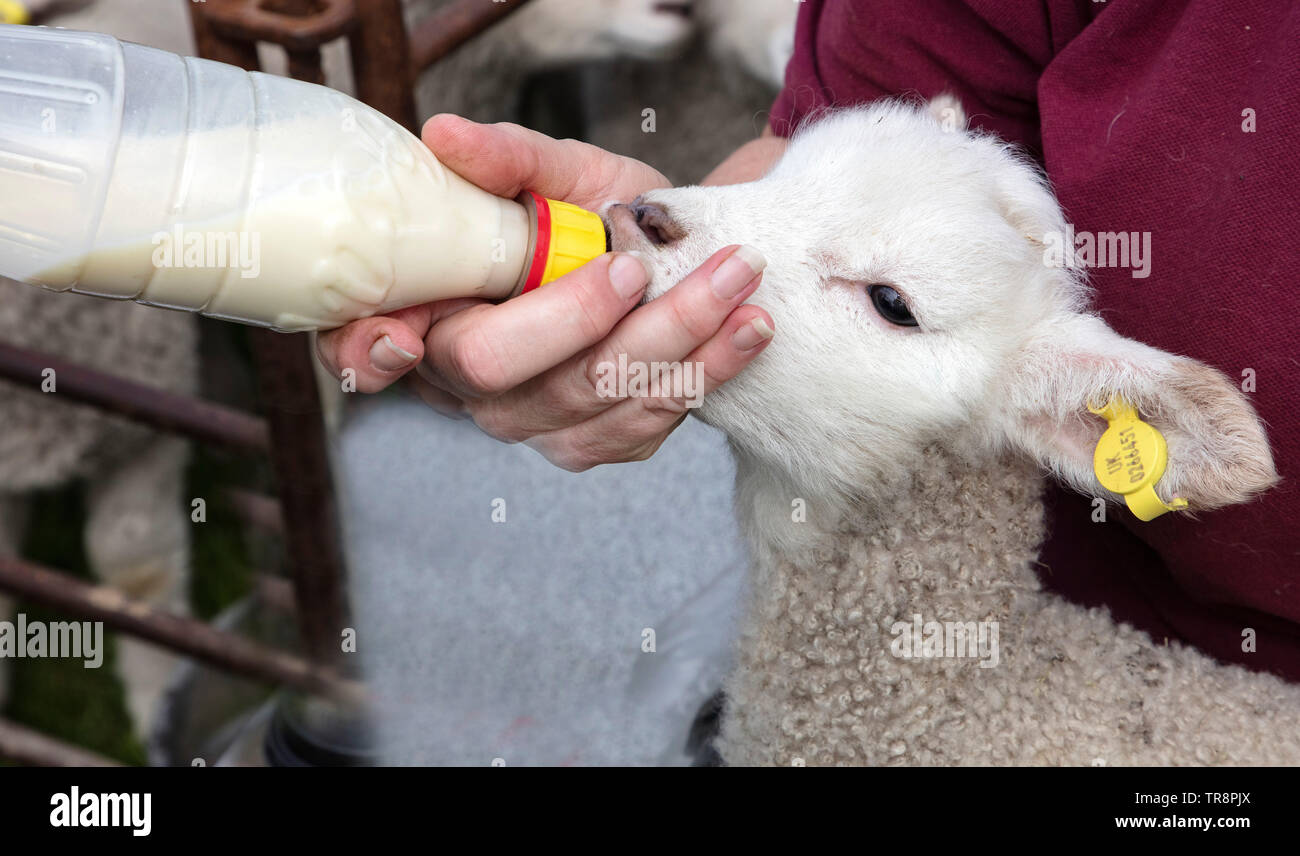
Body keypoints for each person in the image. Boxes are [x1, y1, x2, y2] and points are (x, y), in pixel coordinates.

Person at [317, 0, 1299, 682]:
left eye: (887, 300)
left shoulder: (1044, 379)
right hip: (1060, 624)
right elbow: (875, 147)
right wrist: (601, 275)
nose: (665, 214)